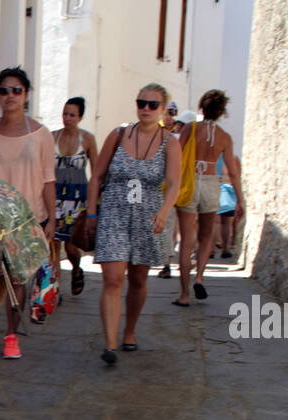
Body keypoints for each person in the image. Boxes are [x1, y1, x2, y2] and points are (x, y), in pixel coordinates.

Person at [84, 83, 181, 365]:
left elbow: (174, 183)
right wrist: (91, 213)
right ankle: (110, 344)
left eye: (153, 105)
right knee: (113, 279)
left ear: (163, 109)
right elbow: (97, 177)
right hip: (114, 213)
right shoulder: (118, 134)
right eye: (141, 103)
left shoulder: (170, 142)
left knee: (138, 279)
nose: (146, 109)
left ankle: (129, 331)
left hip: (148, 216)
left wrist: (164, 211)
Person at [0, 67, 57, 359]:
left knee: (17, 279)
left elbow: (49, 179)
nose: (9, 96)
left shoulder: (41, 135)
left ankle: (11, 335)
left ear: (26, 94)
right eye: (4, 90)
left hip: (27, 216)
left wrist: (52, 219)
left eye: (16, 90)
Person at [173, 89, 244, 306]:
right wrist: (240, 199)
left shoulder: (190, 129)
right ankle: (200, 277)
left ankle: (184, 294)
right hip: (213, 182)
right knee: (205, 237)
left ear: (202, 108)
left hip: (191, 182)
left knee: (186, 240)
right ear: (222, 112)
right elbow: (232, 171)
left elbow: (175, 156)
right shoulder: (224, 137)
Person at [50, 97, 99, 296]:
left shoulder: (87, 139)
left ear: (80, 117)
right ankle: (56, 290)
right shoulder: (52, 137)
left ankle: (76, 268)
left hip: (77, 198)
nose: (67, 118)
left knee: (71, 247)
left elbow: (97, 171)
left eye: (72, 115)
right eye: (65, 114)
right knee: (53, 245)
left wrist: (95, 202)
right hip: (54, 196)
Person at [156, 107, 193, 279]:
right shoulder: (196, 142)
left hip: (170, 187)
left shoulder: (171, 139)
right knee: (187, 230)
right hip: (187, 189)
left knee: (168, 225)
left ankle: (167, 263)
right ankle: (187, 264)